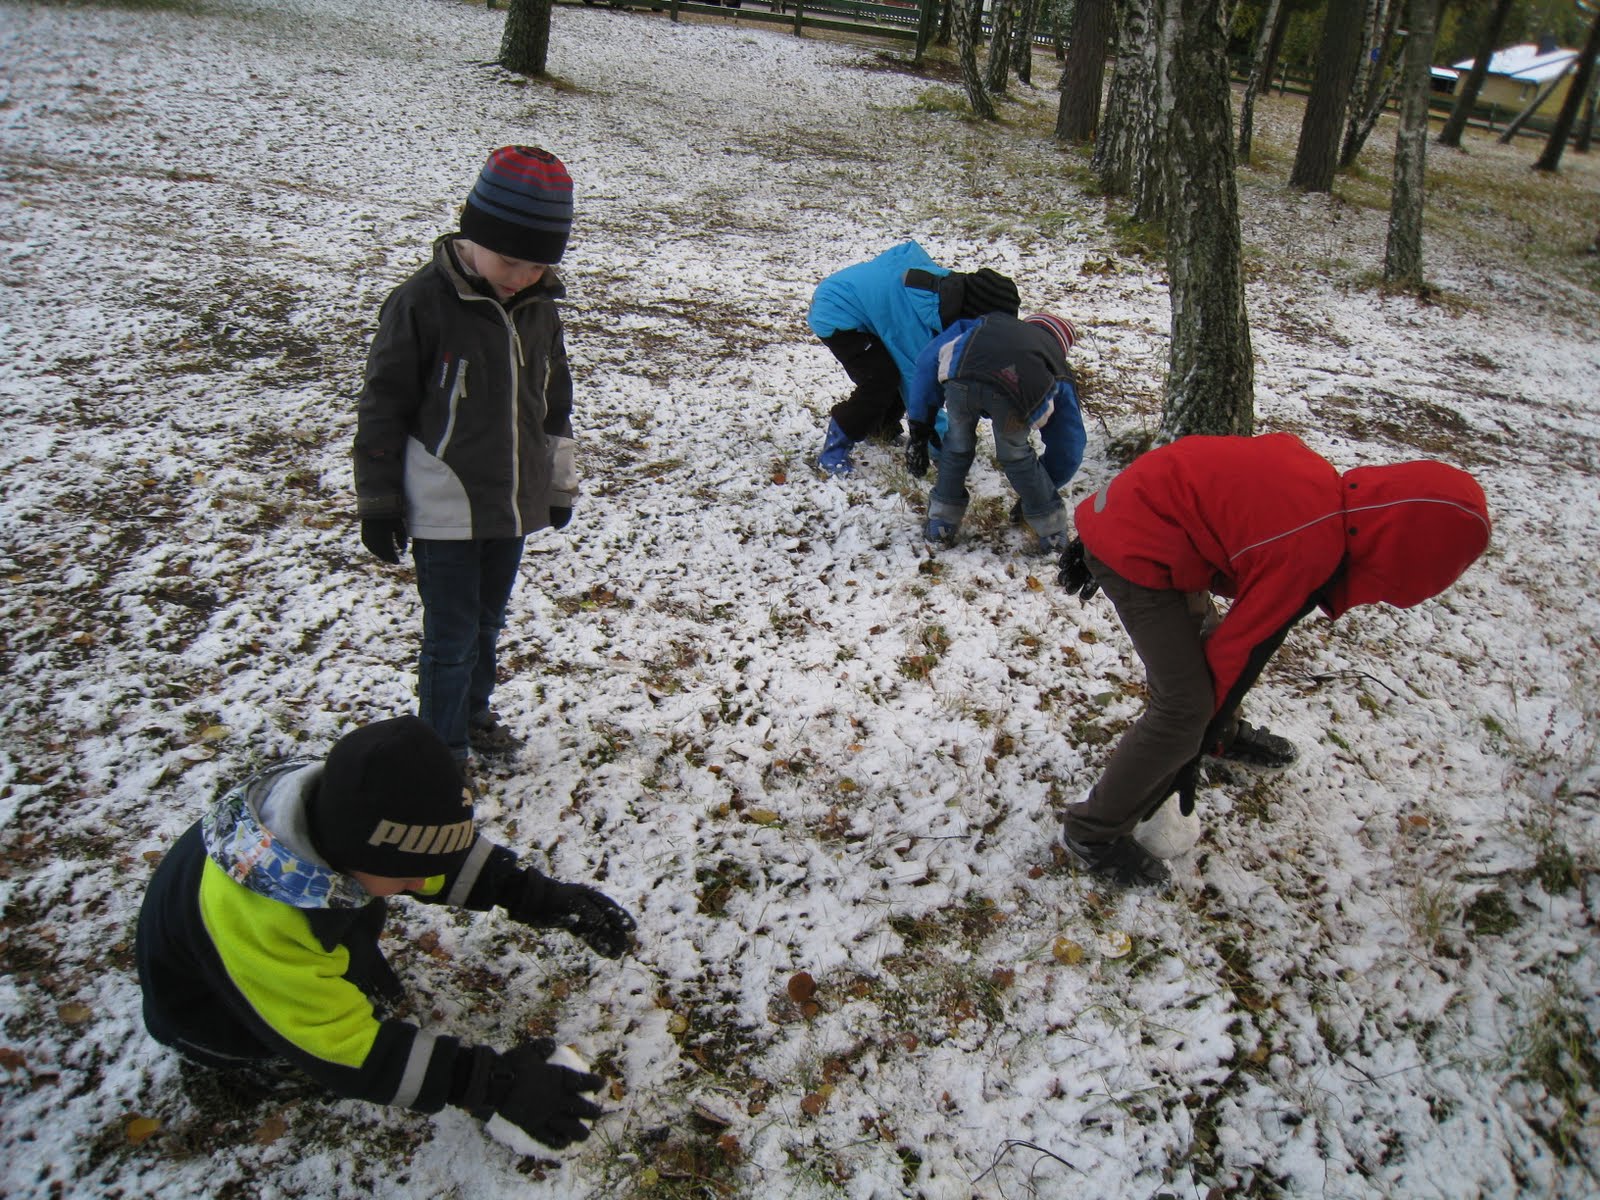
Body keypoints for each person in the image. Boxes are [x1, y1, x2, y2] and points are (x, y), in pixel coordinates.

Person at [136, 716, 637, 1151]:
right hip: (212, 1012)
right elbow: (345, 1049)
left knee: (363, 913)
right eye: (406, 875)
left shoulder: (339, 812)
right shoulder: (261, 923)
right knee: (295, 1051)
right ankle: (242, 1068)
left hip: (305, 934)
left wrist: (533, 894)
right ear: (350, 857)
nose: (421, 884)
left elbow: (427, 856)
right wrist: (488, 1083)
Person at [1054, 433, 1491, 887]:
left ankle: (1220, 737)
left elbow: (1234, 641)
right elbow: (1241, 651)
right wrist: (1191, 747)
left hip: (1150, 523)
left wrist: (1211, 732)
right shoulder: (1309, 548)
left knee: (1208, 654)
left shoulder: (1327, 501)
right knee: (1184, 709)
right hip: (1136, 545)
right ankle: (1092, 833)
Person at [354, 146, 579, 767]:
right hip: (445, 506)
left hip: (510, 507)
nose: (523, 276)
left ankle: (473, 716)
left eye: (539, 264)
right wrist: (378, 502)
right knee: (450, 638)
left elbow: (554, 403)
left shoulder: (539, 312)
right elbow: (383, 406)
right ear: (472, 235)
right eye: (510, 259)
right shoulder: (421, 304)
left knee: (486, 625)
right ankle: (440, 751)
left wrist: (558, 485)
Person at [807, 239, 1020, 476]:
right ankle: (833, 451)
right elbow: (918, 383)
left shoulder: (946, 292)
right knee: (880, 380)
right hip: (835, 311)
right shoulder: (912, 319)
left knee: (893, 368)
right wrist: (941, 442)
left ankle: (882, 429)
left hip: (868, 307)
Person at [904, 312, 1086, 552]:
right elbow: (1069, 446)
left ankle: (941, 523)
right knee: (1015, 454)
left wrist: (920, 425)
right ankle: (1051, 534)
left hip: (963, 378)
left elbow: (929, 359)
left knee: (957, 445)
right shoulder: (1055, 364)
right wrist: (1040, 489)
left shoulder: (986, 323)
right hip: (1016, 395)